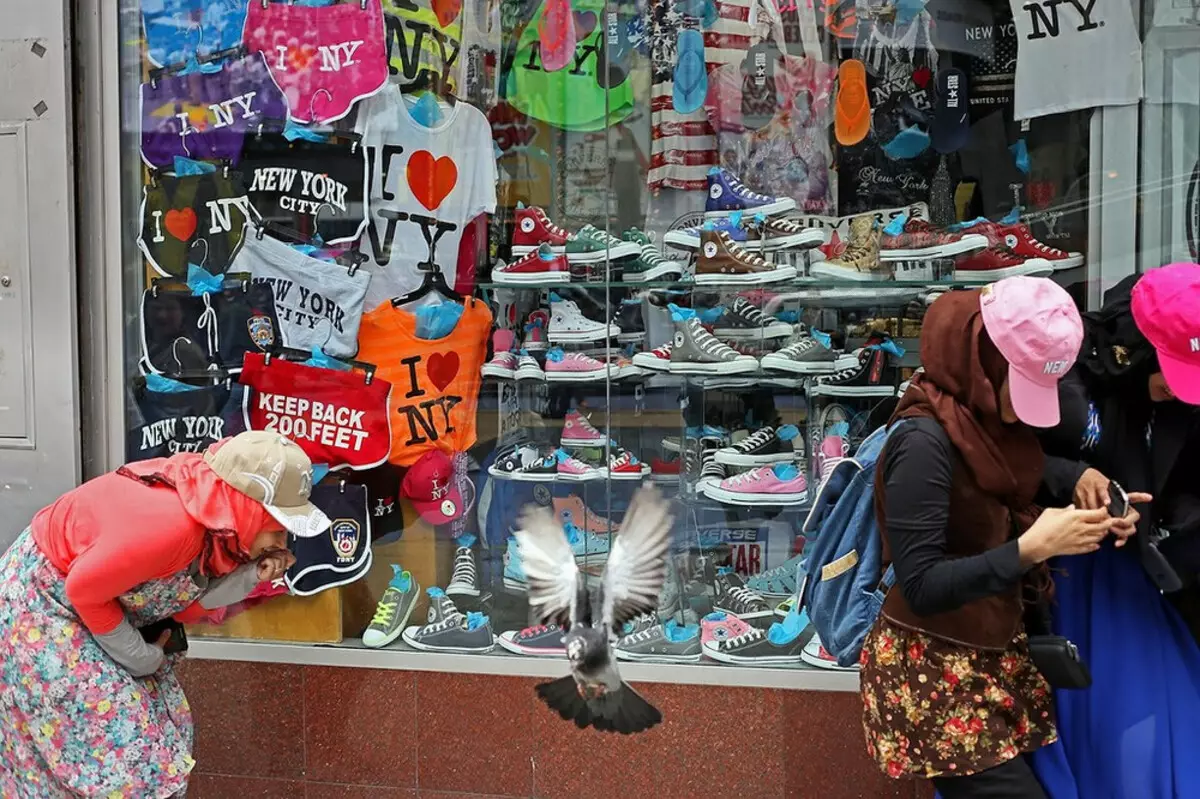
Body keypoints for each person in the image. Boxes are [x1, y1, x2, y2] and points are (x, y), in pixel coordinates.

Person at [859, 277, 1139, 798]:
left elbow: (1012, 469)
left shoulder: (977, 414)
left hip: (987, 658)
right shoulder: (923, 442)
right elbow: (920, 585)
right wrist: (1033, 547)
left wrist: (1076, 479)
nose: (1020, 411)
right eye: (1022, 385)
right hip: (935, 675)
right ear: (983, 361)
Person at [0, 431, 329, 798]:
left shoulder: (211, 515)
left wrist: (252, 574)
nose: (283, 542)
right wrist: (142, 658)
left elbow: (186, 605)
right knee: (124, 749)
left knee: (157, 729)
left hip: (83, 602)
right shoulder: (176, 527)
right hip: (40, 607)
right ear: (247, 506)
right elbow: (83, 590)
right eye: (278, 525)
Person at [1029, 263, 1200, 799]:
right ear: (1136, 350)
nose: (1176, 392)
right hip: (1058, 570)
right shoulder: (1064, 366)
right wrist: (1073, 477)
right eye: (1169, 375)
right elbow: (1004, 459)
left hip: (1141, 577)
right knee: (1084, 720)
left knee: (1158, 724)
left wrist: (1143, 516)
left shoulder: (1174, 394)